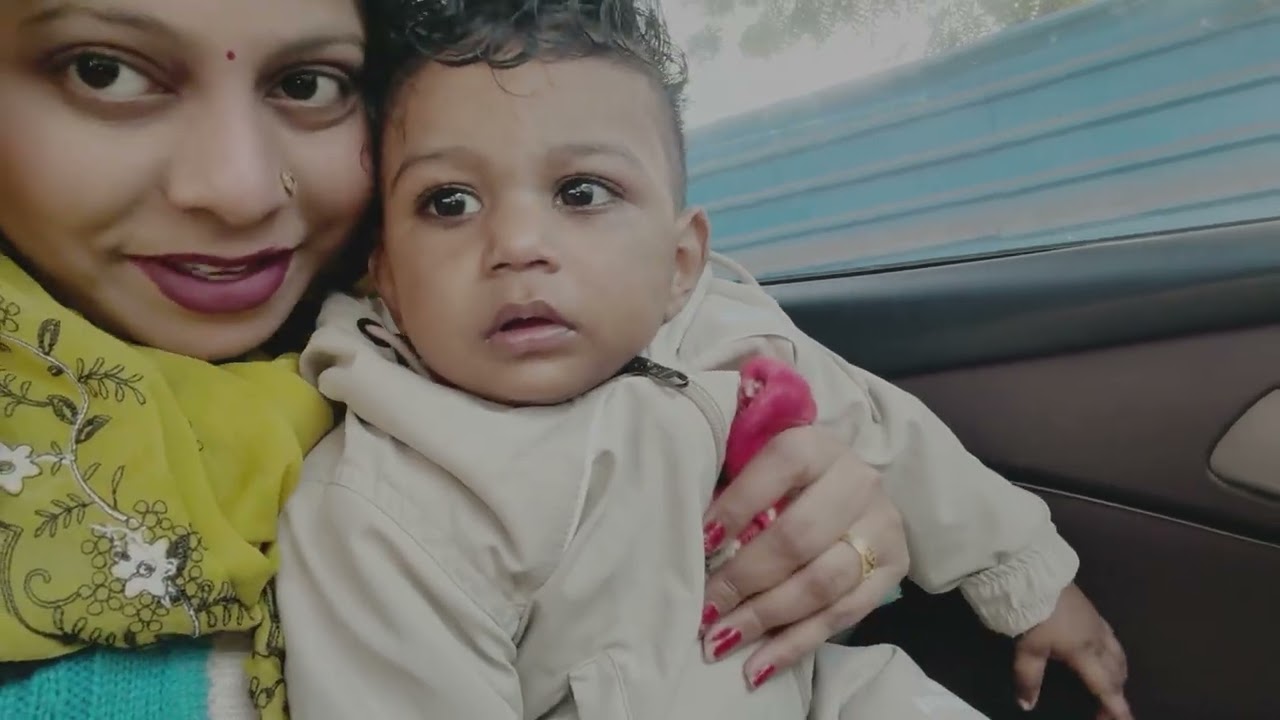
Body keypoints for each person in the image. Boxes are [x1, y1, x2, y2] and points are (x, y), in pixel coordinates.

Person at [0, 1, 915, 718]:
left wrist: (848, 517)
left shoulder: (518, 306)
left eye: (312, 84)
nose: (237, 191)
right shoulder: (384, 480)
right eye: (104, 70)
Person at [276, 1, 1131, 718]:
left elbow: (882, 433)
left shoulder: (727, 338)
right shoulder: (381, 511)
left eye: (582, 192)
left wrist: (1030, 581)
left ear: (679, 260)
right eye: (449, 201)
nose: (518, 244)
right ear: (383, 272)